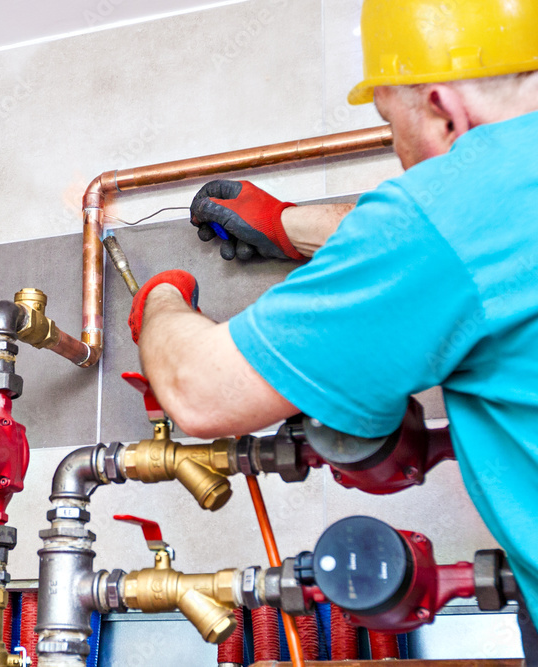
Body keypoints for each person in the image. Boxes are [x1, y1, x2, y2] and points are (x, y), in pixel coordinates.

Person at [128, 0, 538, 657]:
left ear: (440, 108)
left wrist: (161, 301)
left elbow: (197, 388)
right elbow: (466, 246)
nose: (397, 153)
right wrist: (286, 224)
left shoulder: (454, 213)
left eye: (387, 126)